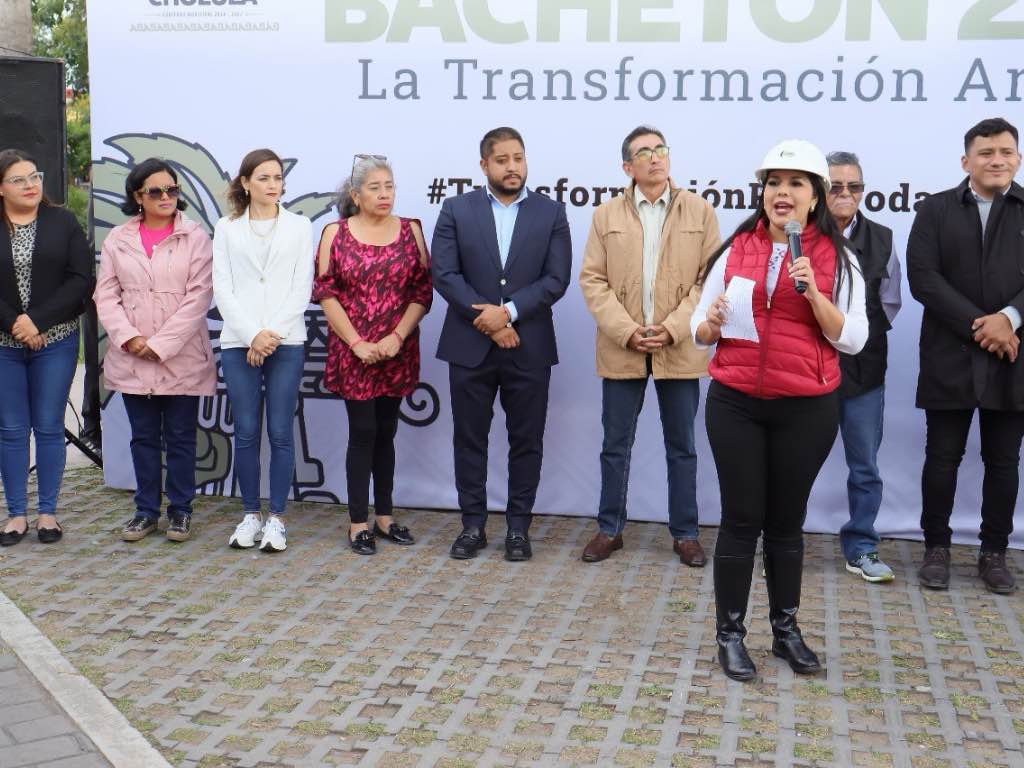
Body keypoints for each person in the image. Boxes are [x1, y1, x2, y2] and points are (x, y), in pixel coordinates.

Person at [691, 139, 868, 681]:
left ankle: (786, 631)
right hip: (736, 403)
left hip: (806, 409)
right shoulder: (733, 249)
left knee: (787, 523)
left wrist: (815, 295)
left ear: (815, 197)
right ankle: (730, 635)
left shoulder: (838, 258)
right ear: (762, 192)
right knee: (742, 521)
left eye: (796, 183)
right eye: (774, 183)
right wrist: (712, 324)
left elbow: (854, 339)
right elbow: (697, 334)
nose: (782, 193)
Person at [578, 125, 721, 566]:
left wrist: (675, 328)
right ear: (628, 166)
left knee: (683, 446)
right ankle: (609, 529)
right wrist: (627, 330)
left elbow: (708, 281)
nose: (656, 157)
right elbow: (592, 279)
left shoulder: (699, 211)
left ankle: (685, 534)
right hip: (623, 348)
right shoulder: (606, 216)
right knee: (615, 445)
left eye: (661, 149)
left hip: (679, 348)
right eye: (644, 152)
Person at [431, 127, 572, 562]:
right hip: (469, 346)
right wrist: (488, 320)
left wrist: (507, 313)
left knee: (525, 439)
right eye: (502, 160)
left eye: (519, 158)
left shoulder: (551, 212)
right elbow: (445, 274)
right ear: (484, 165)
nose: (512, 167)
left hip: (528, 345)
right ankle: (472, 525)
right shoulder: (457, 209)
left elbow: (556, 278)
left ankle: (517, 528)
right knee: (469, 438)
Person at [908, 117, 1024, 595]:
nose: (996, 160)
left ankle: (993, 553)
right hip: (950, 353)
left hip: (1012, 356)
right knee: (942, 458)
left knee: (1003, 462)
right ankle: (936, 547)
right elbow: (923, 278)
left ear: (1016, 158)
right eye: (985, 153)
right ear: (966, 161)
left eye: (1005, 152)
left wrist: (1011, 318)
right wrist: (986, 326)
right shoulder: (935, 209)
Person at [313, 155, 432, 555]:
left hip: (397, 349)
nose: (385, 195)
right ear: (356, 194)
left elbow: (422, 291)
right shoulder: (336, 233)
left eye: (390, 186)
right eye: (375, 188)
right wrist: (357, 343)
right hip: (354, 352)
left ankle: (385, 517)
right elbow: (325, 292)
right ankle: (358, 522)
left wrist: (397, 336)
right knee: (362, 432)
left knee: (387, 432)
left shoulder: (412, 230)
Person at [94, 158, 216, 543]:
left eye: (172, 190)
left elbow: (199, 296)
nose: (166, 197)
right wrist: (130, 338)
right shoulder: (118, 239)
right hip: (131, 356)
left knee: (180, 437)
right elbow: (106, 294)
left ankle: (180, 511)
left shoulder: (195, 236)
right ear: (138, 196)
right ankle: (146, 511)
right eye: (156, 191)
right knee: (142, 437)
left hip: (182, 356)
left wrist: (161, 345)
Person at [213, 148, 313, 553]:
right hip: (240, 342)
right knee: (248, 432)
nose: (273, 185)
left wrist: (269, 335)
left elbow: (300, 287)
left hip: (286, 340)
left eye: (277, 178)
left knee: (280, 432)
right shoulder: (226, 228)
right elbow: (223, 288)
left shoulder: (300, 226)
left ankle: (277, 518)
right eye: (264, 178)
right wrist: (252, 335)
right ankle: (250, 514)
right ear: (246, 183)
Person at [0, 149, 93, 547]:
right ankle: (16, 514)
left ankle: (48, 513)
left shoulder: (63, 222)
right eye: (19, 179)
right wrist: (16, 324)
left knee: (50, 427)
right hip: (4, 343)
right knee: (11, 429)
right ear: (1, 188)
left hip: (54, 341)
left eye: (34, 176)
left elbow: (81, 279)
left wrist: (39, 320)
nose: (31, 185)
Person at [825, 151, 902, 583]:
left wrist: (854, 335)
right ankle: (780, 543)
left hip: (864, 371)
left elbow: (889, 302)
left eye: (853, 186)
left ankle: (862, 547)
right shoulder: (801, 236)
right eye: (835, 186)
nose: (845, 194)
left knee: (865, 466)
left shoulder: (884, 238)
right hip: (808, 369)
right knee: (792, 463)